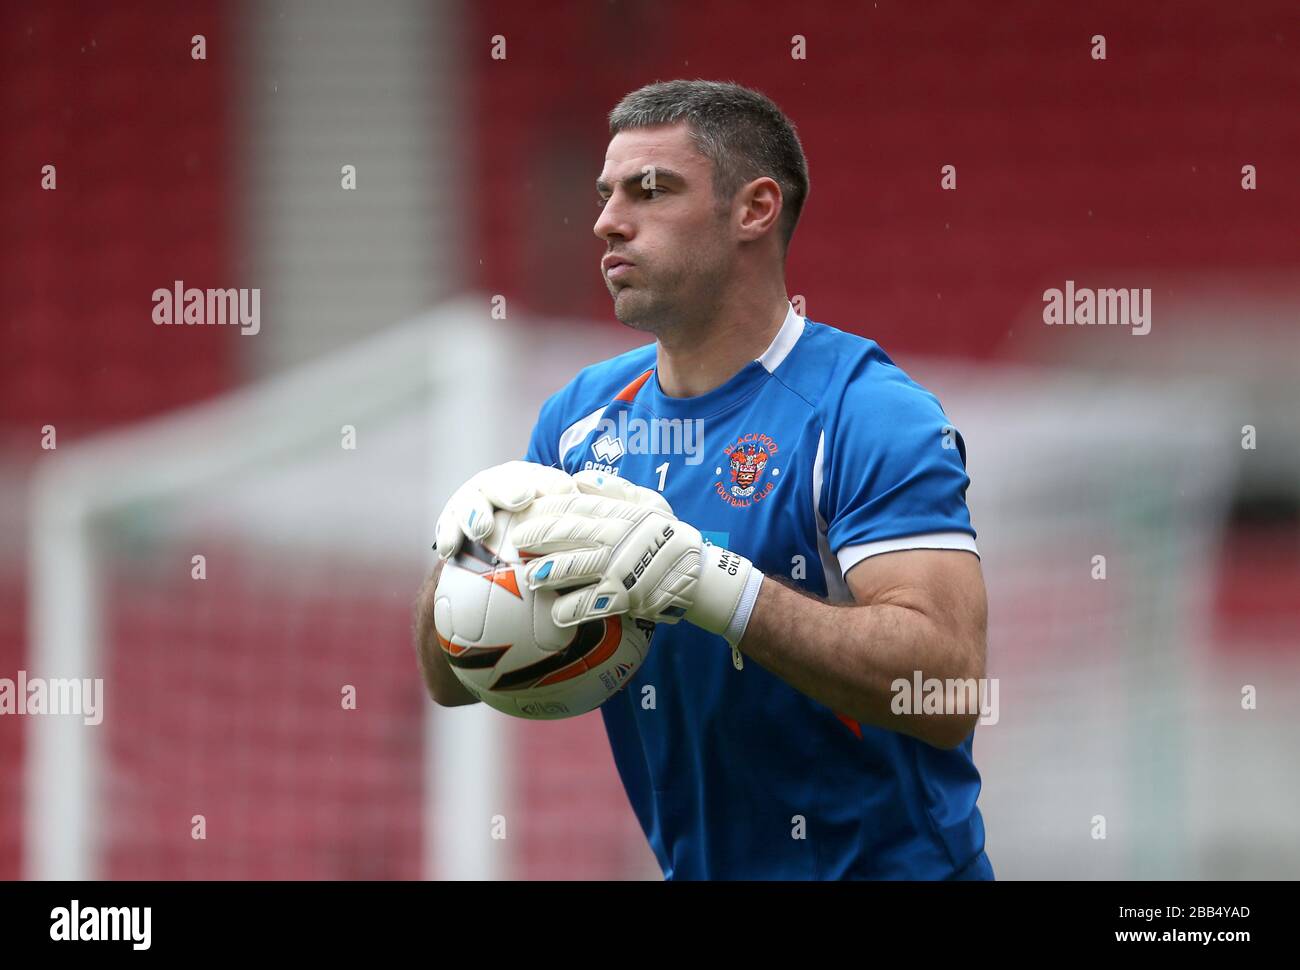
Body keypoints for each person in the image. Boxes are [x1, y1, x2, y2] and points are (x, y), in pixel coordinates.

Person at [416, 79, 993, 880]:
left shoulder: (865, 412)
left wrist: (713, 585)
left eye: (651, 190)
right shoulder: (579, 423)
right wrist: (459, 565)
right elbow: (449, 679)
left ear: (754, 209)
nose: (607, 220)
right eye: (605, 193)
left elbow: (948, 686)